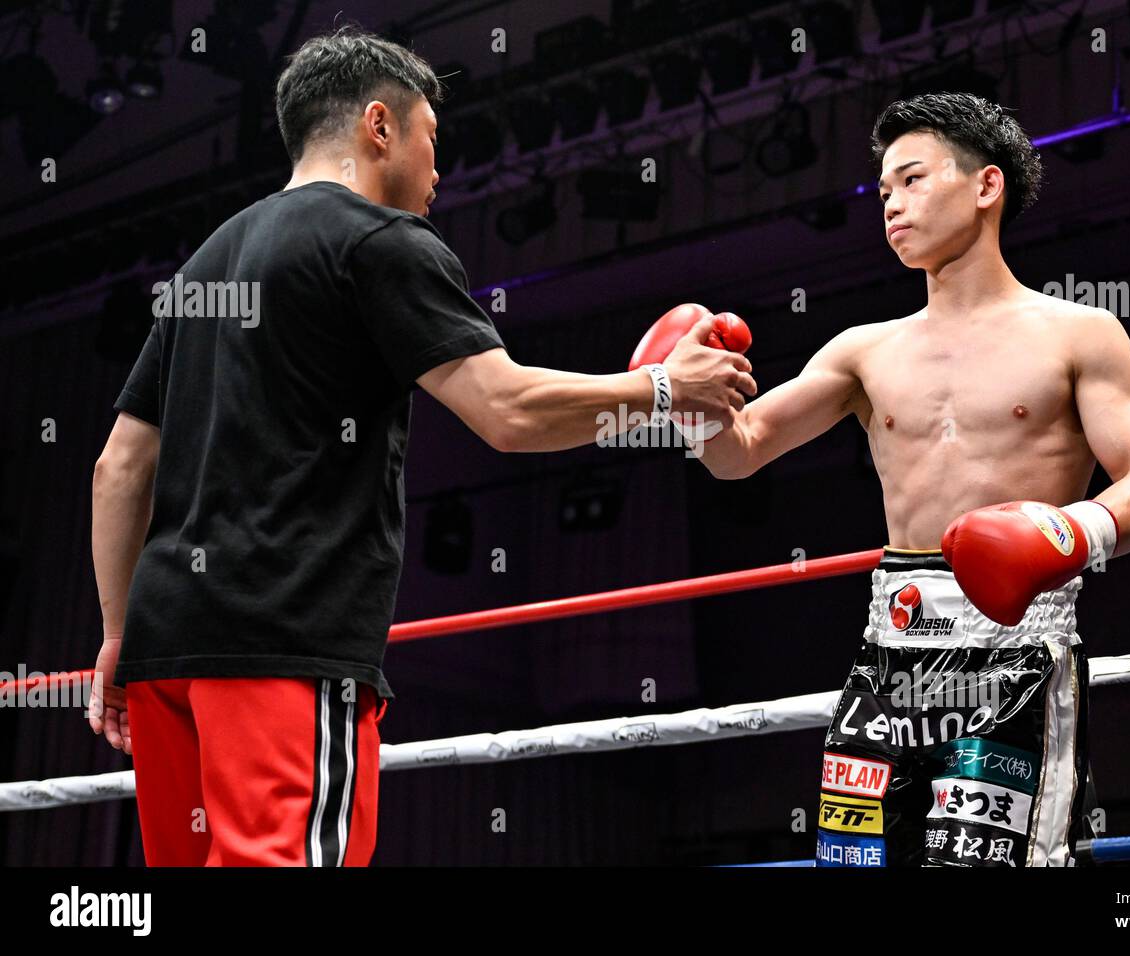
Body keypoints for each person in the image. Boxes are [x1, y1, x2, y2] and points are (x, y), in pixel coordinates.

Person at [87, 26, 756, 867]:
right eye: (432, 139)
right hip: (282, 640)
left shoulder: (202, 270)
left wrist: (118, 637)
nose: (439, 173)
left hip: (166, 654)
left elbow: (118, 467)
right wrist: (664, 391)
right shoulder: (379, 242)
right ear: (379, 126)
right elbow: (506, 412)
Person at [686, 92, 1130, 866]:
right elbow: (737, 452)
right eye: (883, 191)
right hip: (887, 656)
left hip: (1014, 650)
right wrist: (688, 399)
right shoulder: (862, 350)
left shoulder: (1080, 333)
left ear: (986, 187)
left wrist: (1059, 533)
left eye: (913, 180)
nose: (892, 205)